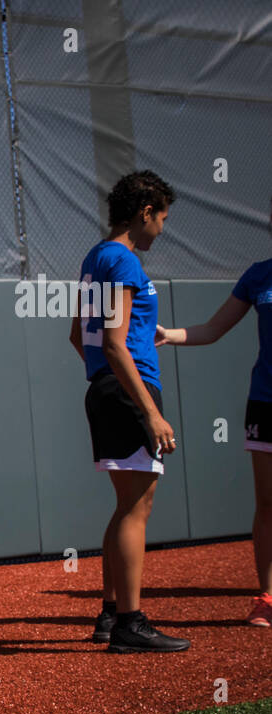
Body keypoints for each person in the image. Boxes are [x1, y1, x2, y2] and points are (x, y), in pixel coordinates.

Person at [70, 170, 188, 653]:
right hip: (130, 390)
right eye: (162, 218)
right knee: (137, 509)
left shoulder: (96, 257)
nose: (162, 228)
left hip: (108, 389)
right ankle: (130, 623)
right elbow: (116, 345)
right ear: (146, 212)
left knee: (126, 508)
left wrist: (105, 379)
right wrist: (150, 412)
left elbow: (81, 338)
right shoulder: (125, 261)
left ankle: (111, 614)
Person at [157, 194, 272, 626]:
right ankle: (268, 597)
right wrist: (172, 334)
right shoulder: (258, 276)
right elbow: (214, 327)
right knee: (268, 501)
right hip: (265, 401)